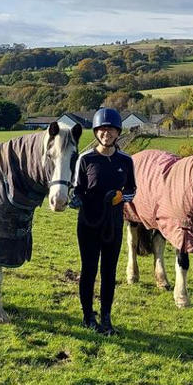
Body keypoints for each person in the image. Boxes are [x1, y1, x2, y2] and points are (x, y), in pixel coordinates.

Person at [71, 107, 136, 336]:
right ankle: (88, 315)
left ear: (118, 133)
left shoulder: (125, 161)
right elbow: (77, 188)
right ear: (96, 132)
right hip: (89, 223)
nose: (106, 134)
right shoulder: (85, 159)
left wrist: (120, 197)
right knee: (89, 270)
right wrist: (76, 199)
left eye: (110, 130)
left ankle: (106, 317)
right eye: (102, 130)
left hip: (114, 224)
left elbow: (132, 190)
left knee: (109, 271)